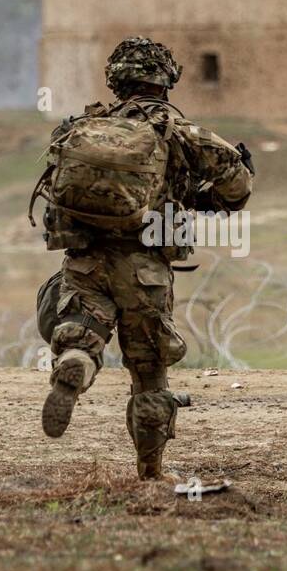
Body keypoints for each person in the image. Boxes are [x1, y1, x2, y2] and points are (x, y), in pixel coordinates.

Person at [33, 37, 253, 478]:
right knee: (149, 372)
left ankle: (76, 360)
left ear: (115, 80)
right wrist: (200, 197)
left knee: (82, 334)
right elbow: (237, 188)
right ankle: (149, 470)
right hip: (146, 267)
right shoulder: (180, 131)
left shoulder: (82, 127)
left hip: (85, 261)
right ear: (167, 79)